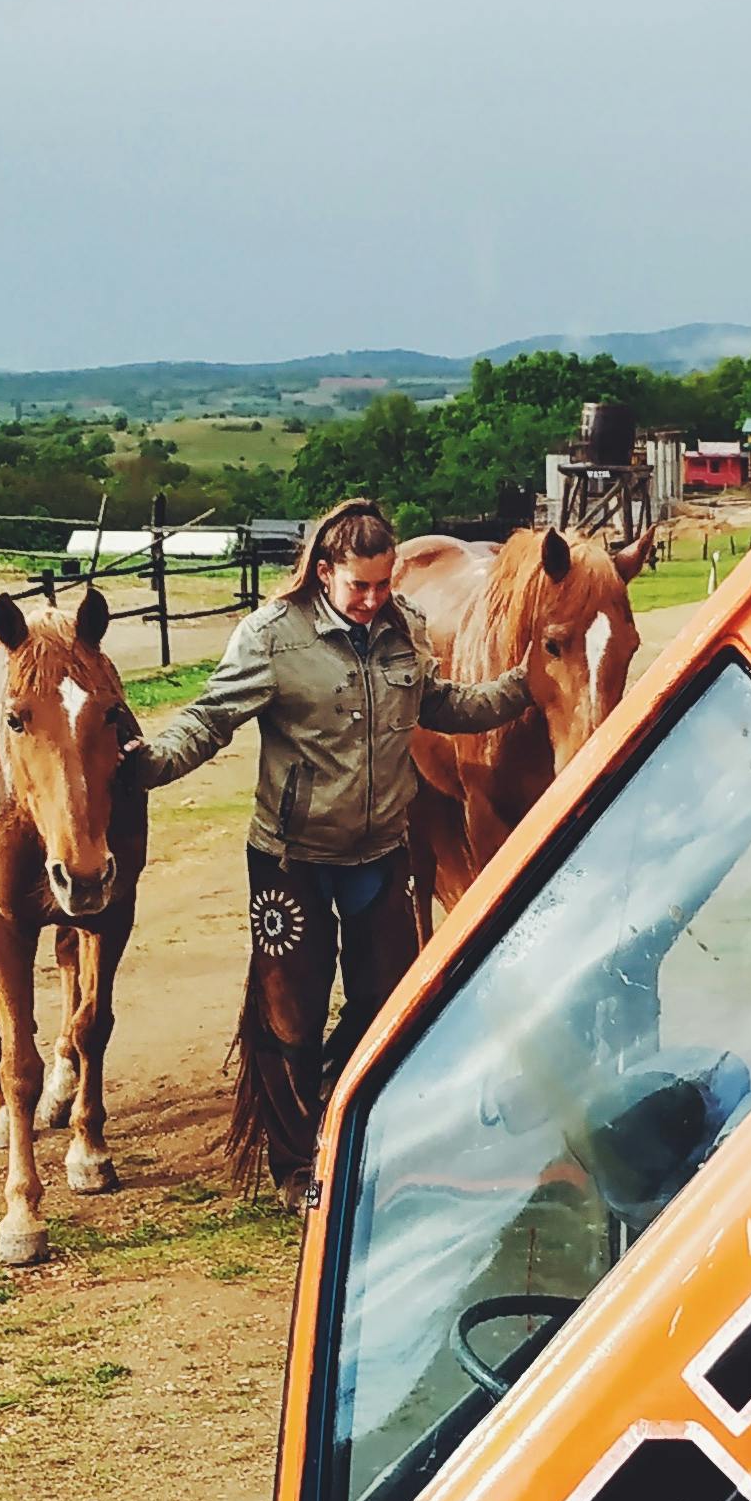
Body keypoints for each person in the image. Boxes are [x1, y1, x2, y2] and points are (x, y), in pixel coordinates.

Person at [131, 496, 535, 1197]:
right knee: (292, 1015)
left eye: (384, 585)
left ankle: (346, 1126)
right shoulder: (271, 638)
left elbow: (439, 706)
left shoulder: (403, 628)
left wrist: (522, 687)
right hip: (293, 861)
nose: (374, 600)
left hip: (381, 853)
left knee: (386, 1004)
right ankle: (295, 1170)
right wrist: (151, 762)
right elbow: (210, 716)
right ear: (323, 572)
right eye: (360, 586)